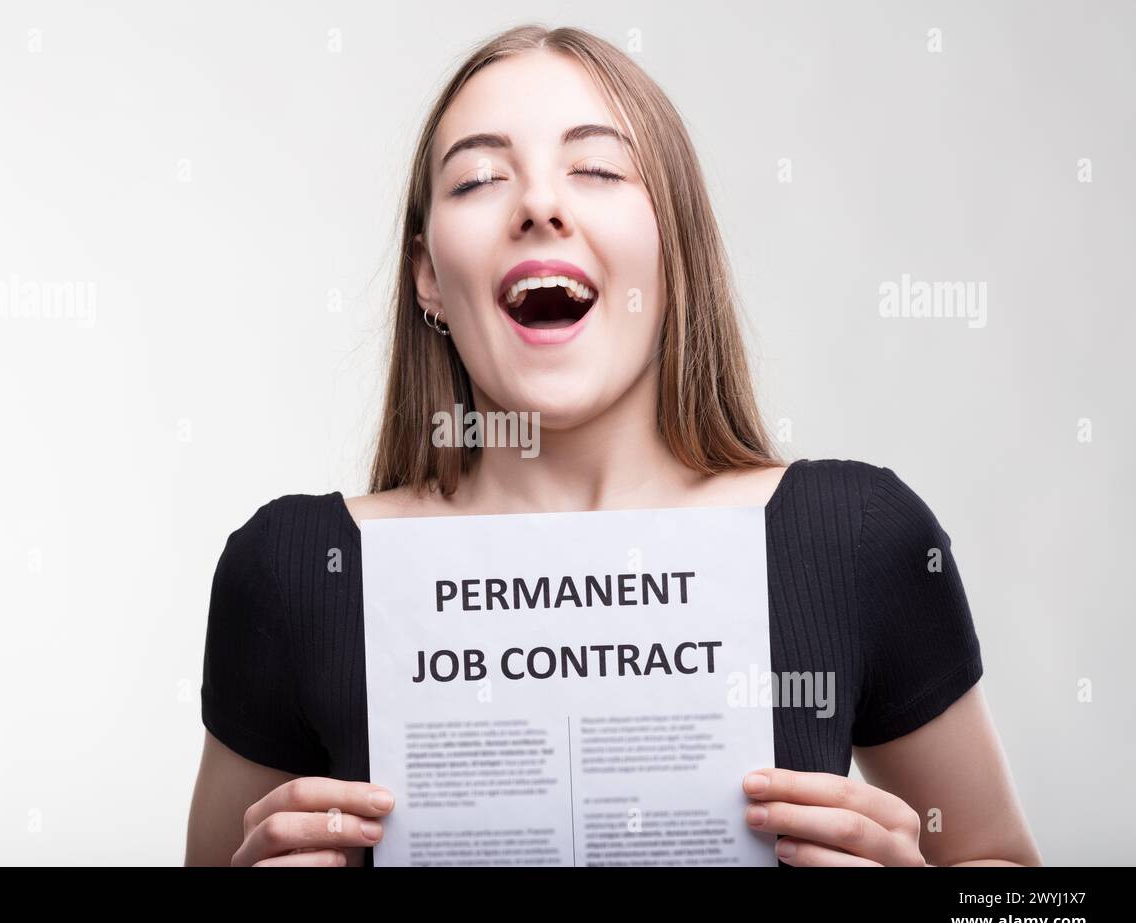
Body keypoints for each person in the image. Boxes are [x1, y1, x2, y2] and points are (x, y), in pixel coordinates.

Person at [185, 24, 1040, 867]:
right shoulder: (291, 572)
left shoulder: (858, 537)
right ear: (427, 279)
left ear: (674, 248)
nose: (539, 205)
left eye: (596, 169)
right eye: (479, 178)